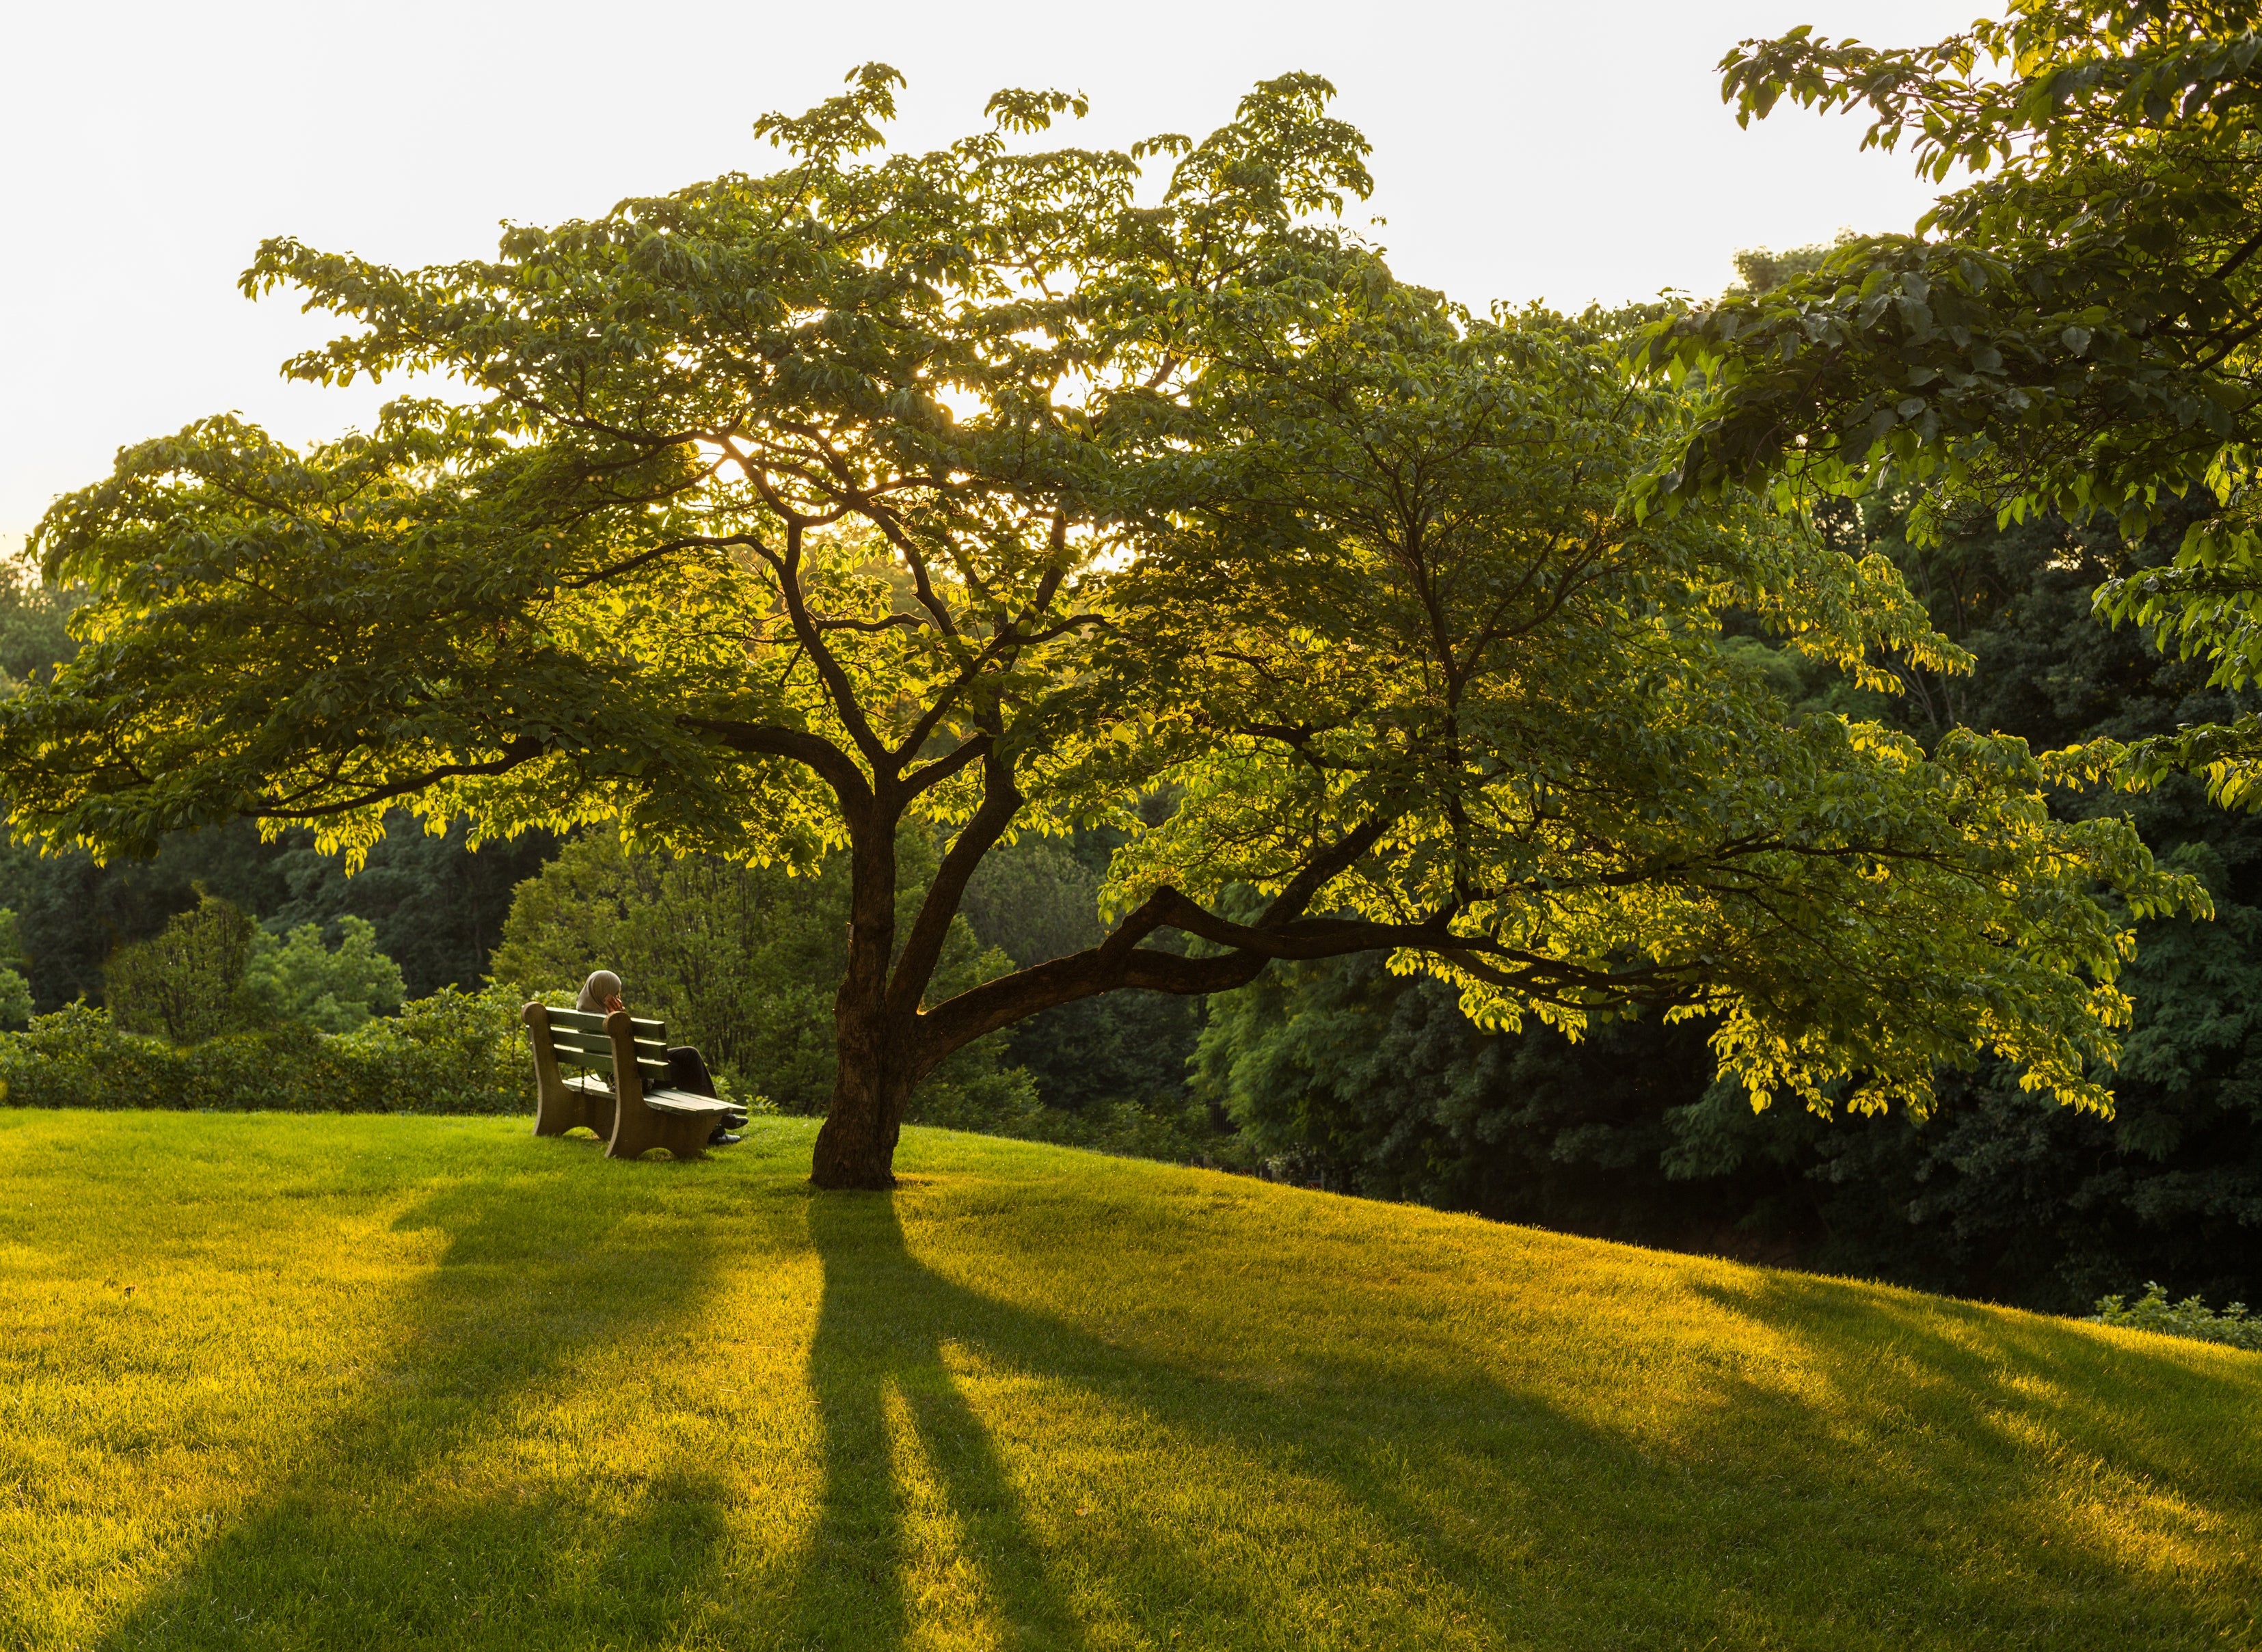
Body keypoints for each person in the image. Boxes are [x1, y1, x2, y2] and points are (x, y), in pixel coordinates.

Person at [576, 971, 745, 1145]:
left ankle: (718, 1119)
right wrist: (620, 1018)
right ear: (604, 996)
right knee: (688, 1069)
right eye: (616, 994)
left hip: (626, 1073)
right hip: (633, 1080)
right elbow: (630, 1053)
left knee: (689, 1054)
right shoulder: (609, 1022)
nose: (619, 998)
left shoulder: (586, 1018)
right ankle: (715, 1128)